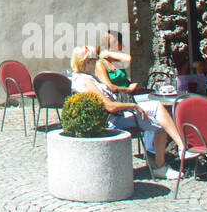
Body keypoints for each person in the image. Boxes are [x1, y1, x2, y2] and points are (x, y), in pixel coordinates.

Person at [70, 48, 185, 179]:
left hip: (116, 111)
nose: (95, 62)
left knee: (154, 102)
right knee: (158, 112)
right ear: (85, 62)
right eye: (93, 60)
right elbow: (110, 106)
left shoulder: (83, 77)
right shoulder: (87, 82)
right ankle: (170, 158)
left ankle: (174, 151)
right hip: (113, 119)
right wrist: (133, 105)